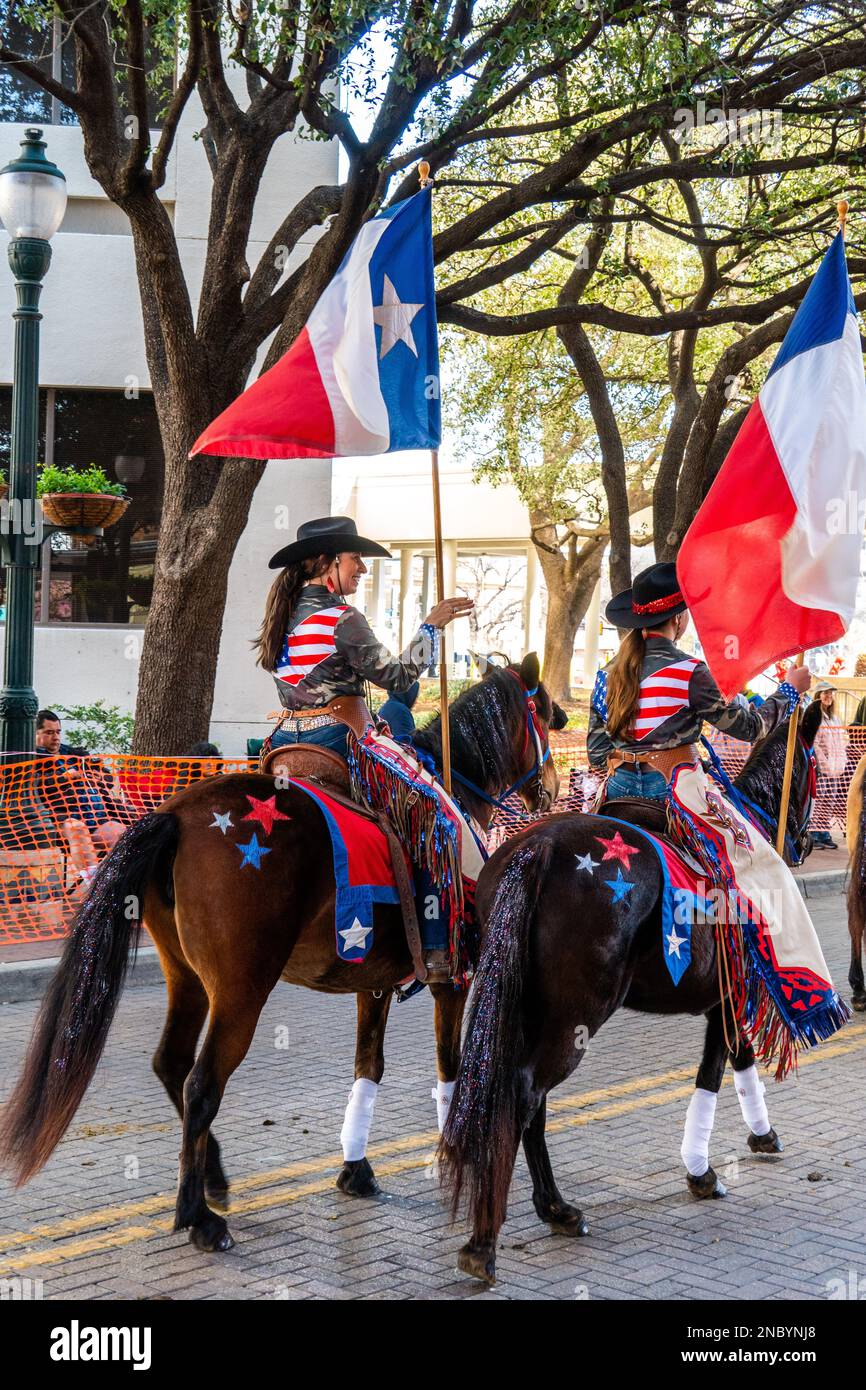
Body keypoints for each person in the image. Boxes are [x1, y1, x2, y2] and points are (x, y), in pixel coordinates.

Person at [254, 516, 472, 760]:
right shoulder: (341, 616)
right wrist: (431, 628)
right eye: (355, 558)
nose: (363, 568)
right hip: (336, 737)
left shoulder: (280, 614)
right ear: (330, 560)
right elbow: (397, 678)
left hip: (283, 738)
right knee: (415, 789)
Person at [810, 681, 848, 849]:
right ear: (818, 696)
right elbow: (815, 744)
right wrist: (823, 763)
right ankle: (813, 834)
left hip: (836, 769)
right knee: (818, 802)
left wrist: (842, 761)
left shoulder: (835, 719)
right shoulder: (815, 717)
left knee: (829, 803)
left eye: (831, 693)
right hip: (822, 769)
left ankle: (824, 832)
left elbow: (842, 742)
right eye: (825, 693)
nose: (828, 696)